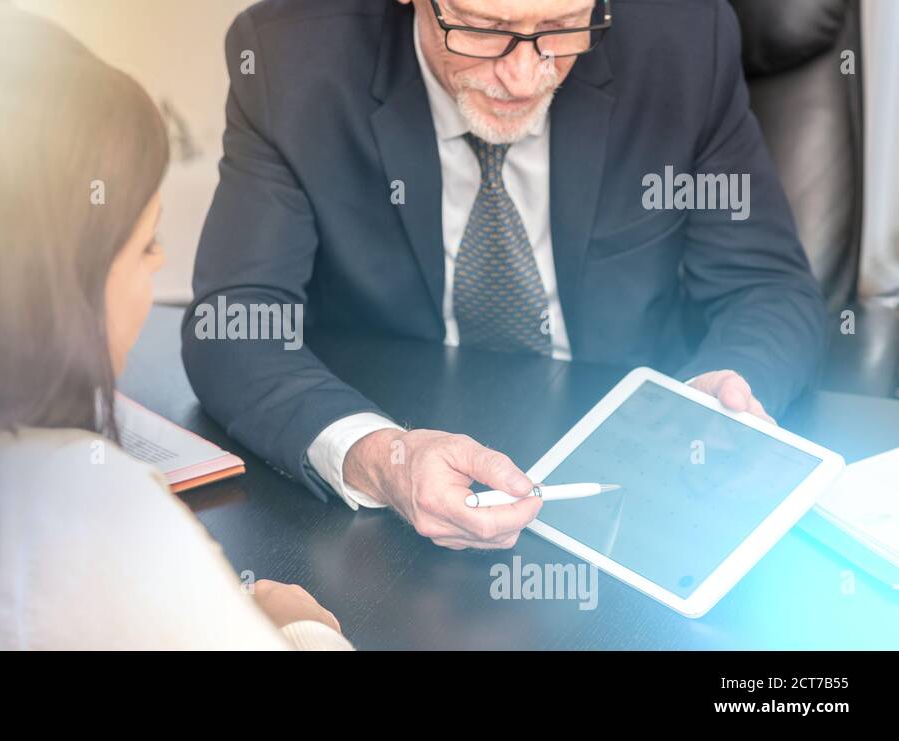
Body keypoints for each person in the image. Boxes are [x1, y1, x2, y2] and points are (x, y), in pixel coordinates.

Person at [182, 0, 827, 550]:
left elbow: (767, 288)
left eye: (562, 28)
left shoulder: (683, 37)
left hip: (634, 491)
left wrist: (718, 397)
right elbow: (234, 320)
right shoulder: (291, 55)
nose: (524, 74)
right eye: (485, 28)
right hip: (389, 493)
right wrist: (380, 457)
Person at [0, 9, 350, 650]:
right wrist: (302, 629)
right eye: (146, 245)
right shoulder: (80, 513)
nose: (158, 268)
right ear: (58, 277)